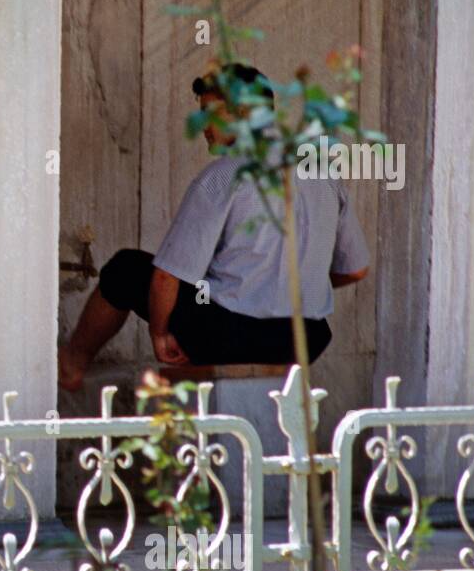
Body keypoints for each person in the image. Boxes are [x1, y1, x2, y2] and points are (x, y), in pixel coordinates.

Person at [59, 64, 370, 391]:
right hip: (305, 339)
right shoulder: (321, 173)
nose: (202, 126)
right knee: (211, 283)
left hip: (234, 334)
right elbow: (356, 270)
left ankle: (72, 362)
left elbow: (167, 276)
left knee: (125, 268)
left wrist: (159, 334)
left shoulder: (223, 176)